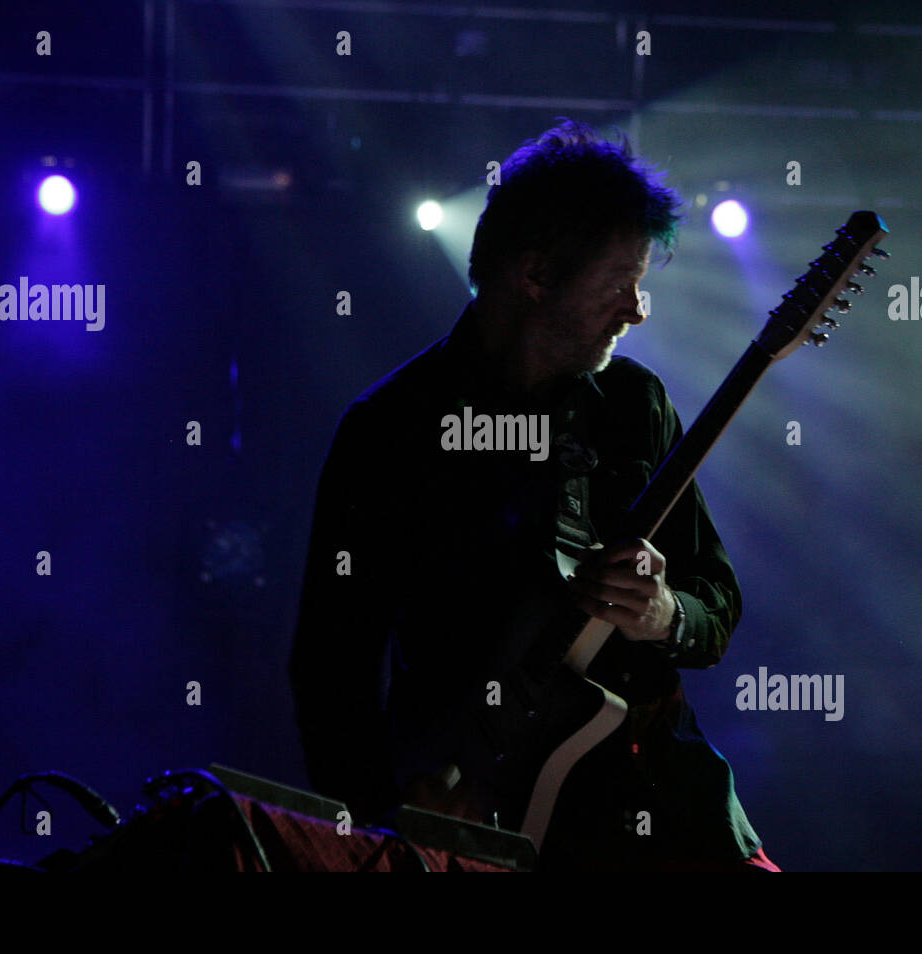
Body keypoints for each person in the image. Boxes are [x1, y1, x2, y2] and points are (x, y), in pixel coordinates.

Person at [288, 118, 778, 871]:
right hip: (485, 818)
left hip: (664, 806)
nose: (638, 310)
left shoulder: (634, 405)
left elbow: (716, 600)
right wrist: (392, 804)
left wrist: (664, 612)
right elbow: (332, 659)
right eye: (622, 283)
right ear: (536, 274)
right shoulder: (389, 430)